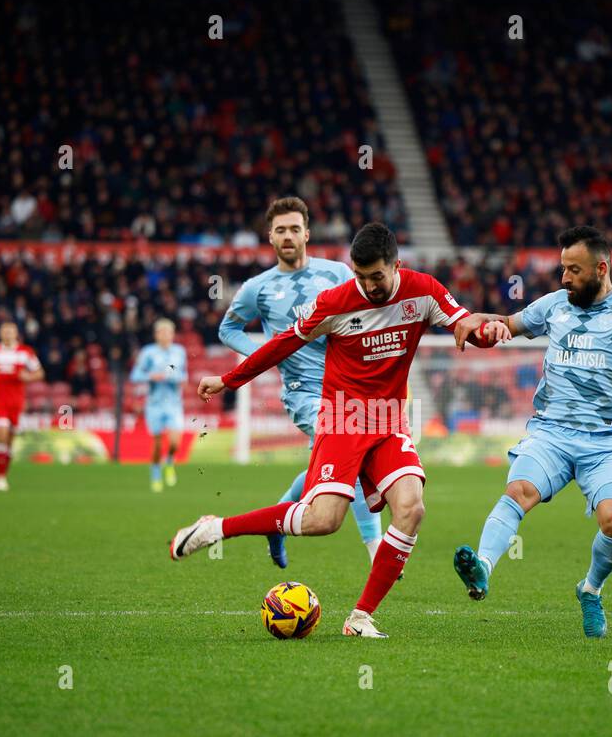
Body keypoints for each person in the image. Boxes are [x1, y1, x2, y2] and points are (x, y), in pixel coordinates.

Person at [171, 223, 492, 638]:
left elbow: (467, 325)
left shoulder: (423, 291)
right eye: (360, 276)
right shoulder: (336, 302)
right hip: (342, 419)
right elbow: (282, 343)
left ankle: (360, 618)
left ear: (397, 264)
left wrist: (491, 330)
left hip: (389, 420)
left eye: (377, 276)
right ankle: (215, 528)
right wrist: (230, 380)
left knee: (412, 508)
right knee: (324, 520)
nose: (369, 285)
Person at [449, 225, 612, 638]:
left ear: (601, 268)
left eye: (573, 270)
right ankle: (482, 568)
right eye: (562, 269)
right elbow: (506, 324)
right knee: (518, 492)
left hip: (607, 441)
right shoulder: (555, 305)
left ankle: (590, 590)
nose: (565, 278)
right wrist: (479, 324)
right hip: (551, 433)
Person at [219, 196, 382, 567]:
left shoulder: (338, 273)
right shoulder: (257, 288)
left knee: (322, 469)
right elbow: (227, 328)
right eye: (280, 230)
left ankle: (277, 519)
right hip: (303, 393)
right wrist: (265, 355)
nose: (288, 235)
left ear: (307, 233)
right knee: (349, 448)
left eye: (295, 228)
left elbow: (366, 313)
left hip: (347, 389)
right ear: (270, 237)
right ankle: (376, 547)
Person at [0, 321, 43, 491]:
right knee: (2, 434)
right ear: (0, 333)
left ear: (16, 334)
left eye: (10, 331)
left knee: (10, 442)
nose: (7, 334)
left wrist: (28, 377)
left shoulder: (25, 352)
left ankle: (3, 475)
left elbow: (40, 372)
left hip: (16, 402)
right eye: (4, 330)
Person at [130, 318, 187, 492]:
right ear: (156, 335)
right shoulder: (148, 352)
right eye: (161, 333)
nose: (165, 336)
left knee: (175, 442)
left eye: (168, 333)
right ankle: (155, 473)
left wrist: (171, 377)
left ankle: (169, 461)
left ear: (172, 334)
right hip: (154, 404)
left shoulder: (179, 352)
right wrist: (151, 376)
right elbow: (135, 375)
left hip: (174, 403)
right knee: (157, 442)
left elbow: (184, 376)